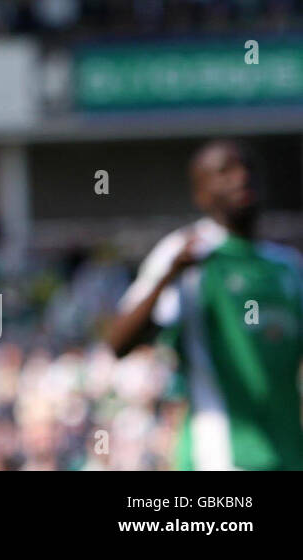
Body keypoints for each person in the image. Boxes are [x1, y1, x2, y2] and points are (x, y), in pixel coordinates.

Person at [109, 139, 303, 470]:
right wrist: (169, 278)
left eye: (248, 168)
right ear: (200, 193)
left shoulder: (287, 266)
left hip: (289, 453)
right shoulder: (186, 255)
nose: (241, 177)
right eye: (224, 171)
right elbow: (119, 342)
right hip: (220, 456)